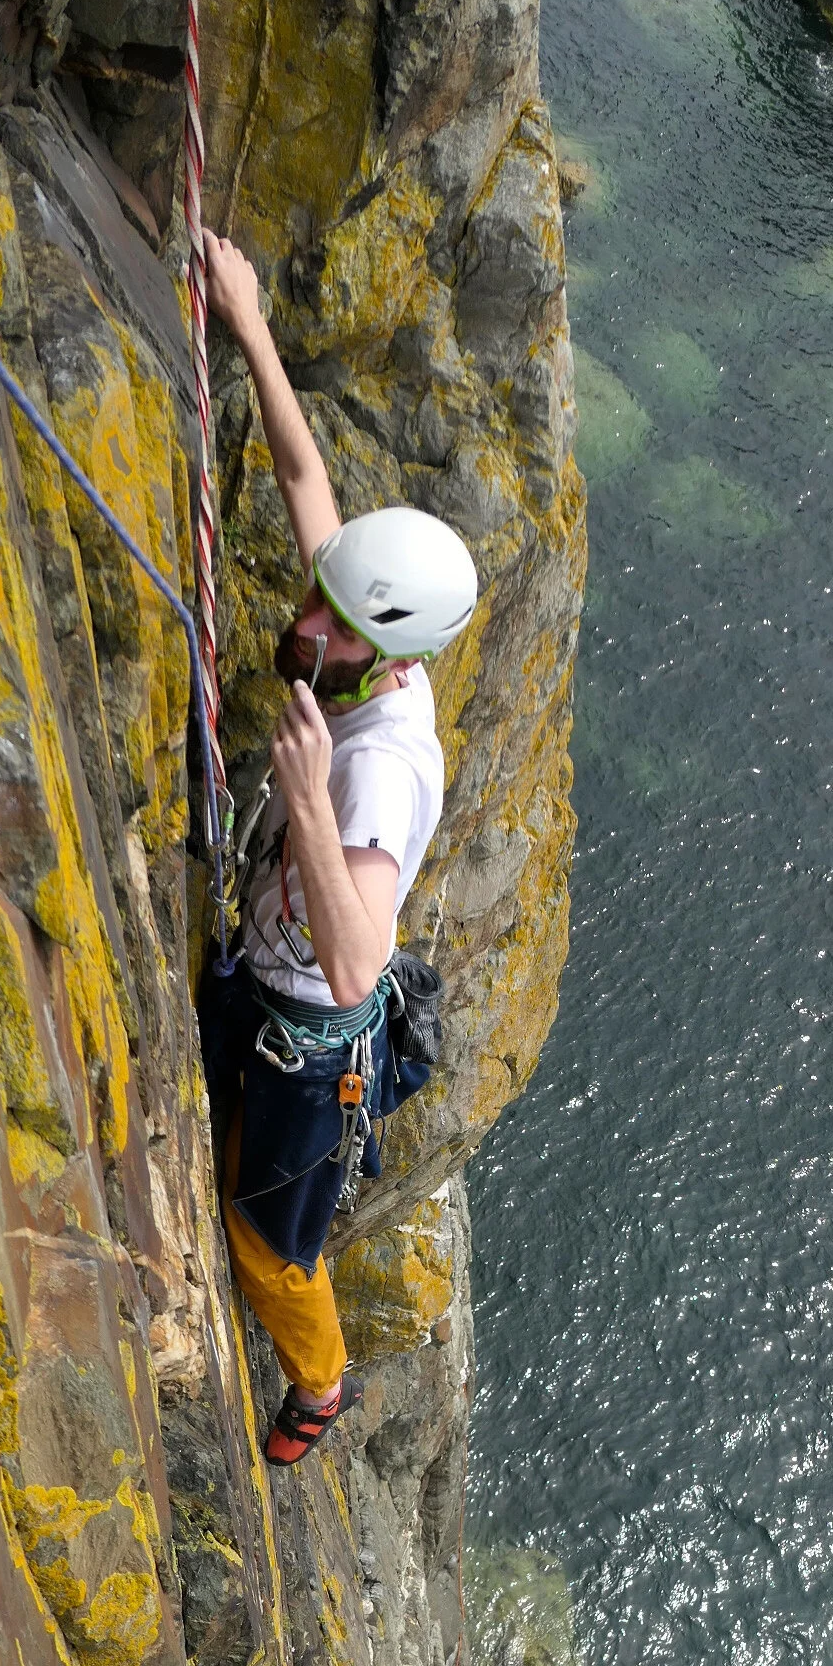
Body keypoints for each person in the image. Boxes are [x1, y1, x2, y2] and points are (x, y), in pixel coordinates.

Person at [196, 229, 478, 1468]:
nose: (305, 621)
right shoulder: (364, 619)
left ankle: (319, 1383)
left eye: (336, 621)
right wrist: (248, 322)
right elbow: (308, 477)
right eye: (323, 599)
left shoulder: (377, 767)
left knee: (269, 1245)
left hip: (308, 1040)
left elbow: (359, 964)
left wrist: (306, 798)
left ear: (393, 656)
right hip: (264, 982)